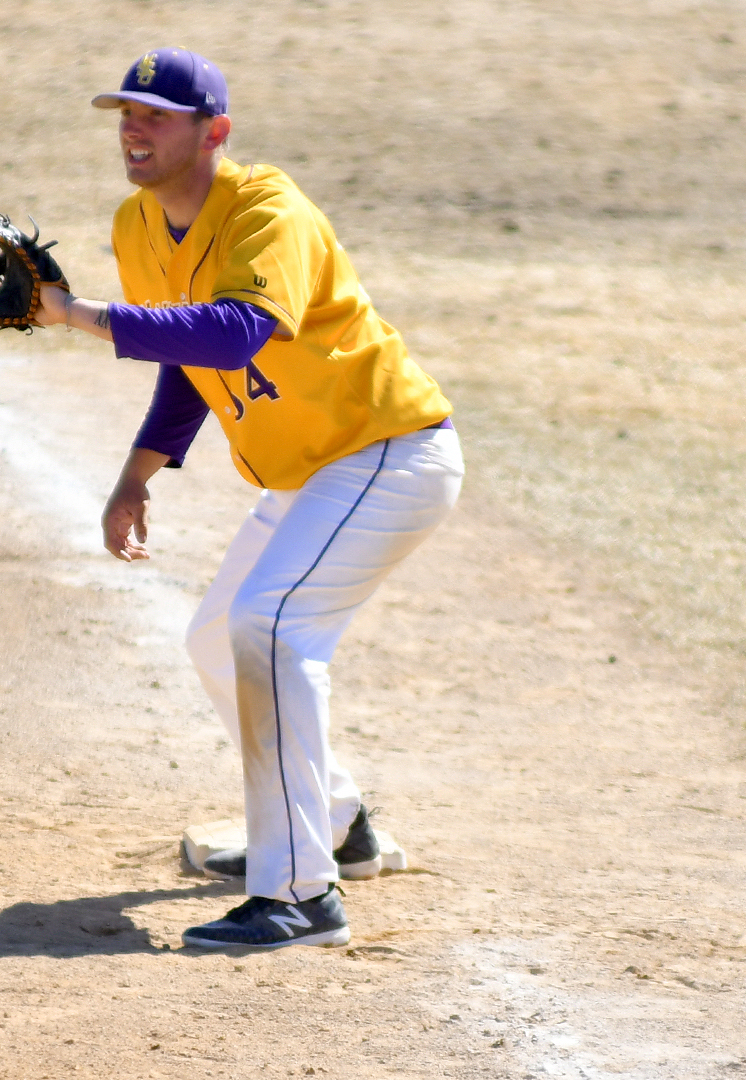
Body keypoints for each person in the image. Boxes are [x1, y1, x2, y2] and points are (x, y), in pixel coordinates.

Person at [34, 47, 463, 949]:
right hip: (315, 472)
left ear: (213, 132)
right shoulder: (137, 226)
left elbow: (234, 334)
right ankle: (335, 826)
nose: (133, 128)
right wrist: (137, 474)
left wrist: (78, 315)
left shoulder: (269, 209)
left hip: (386, 455)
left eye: (155, 114)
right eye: (125, 112)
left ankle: (301, 894)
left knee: (268, 628)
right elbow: (188, 361)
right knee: (216, 638)